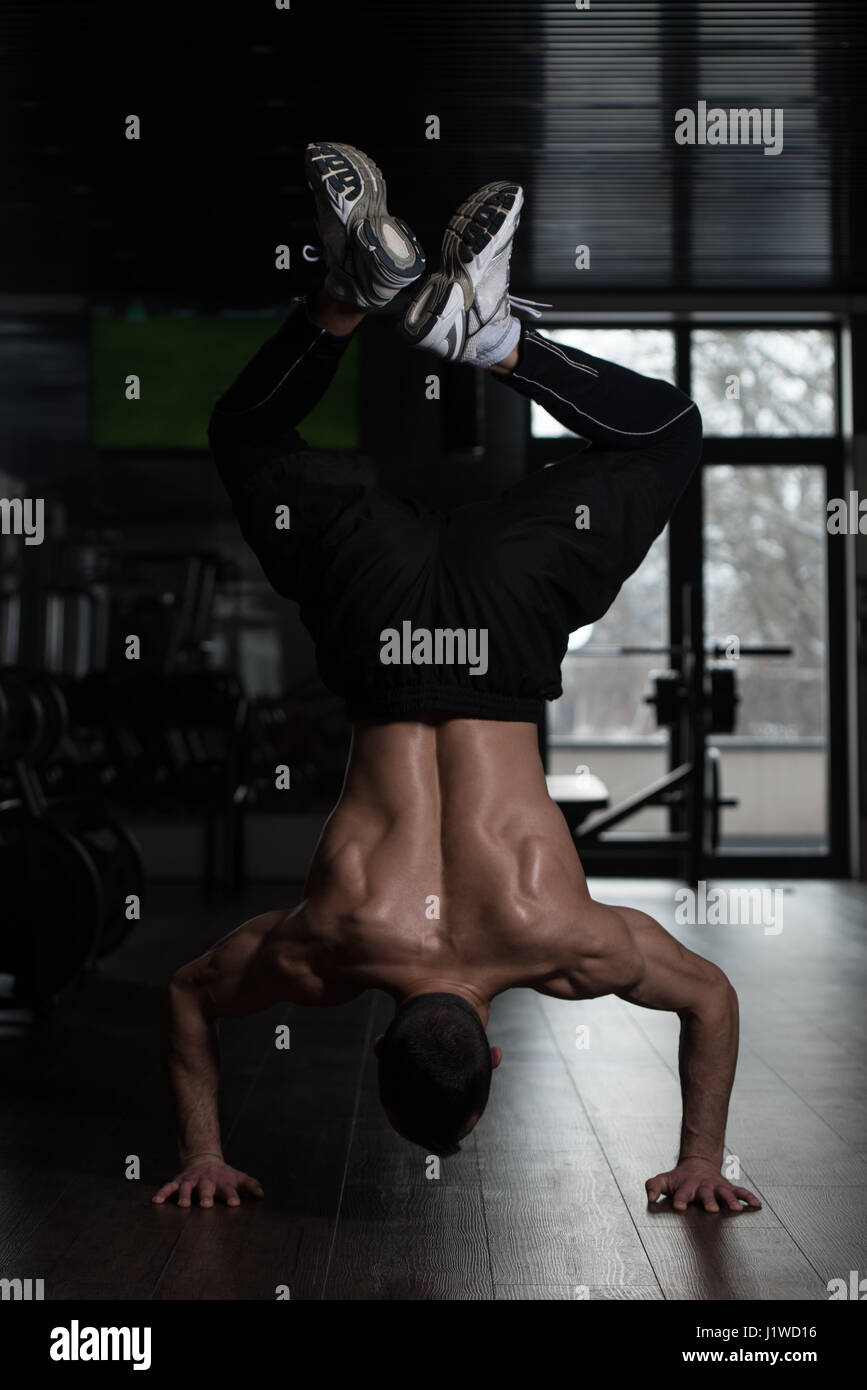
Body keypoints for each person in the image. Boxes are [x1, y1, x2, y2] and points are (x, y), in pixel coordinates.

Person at [154, 141, 761, 1217]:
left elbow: (711, 1000)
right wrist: (204, 1152)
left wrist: (703, 1157)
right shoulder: (329, 946)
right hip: (376, 620)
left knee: (666, 437)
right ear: (378, 1044)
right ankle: (349, 297)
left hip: (508, 622)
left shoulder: (562, 938)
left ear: (491, 1071)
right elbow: (190, 997)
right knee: (247, 437)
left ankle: (491, 340)